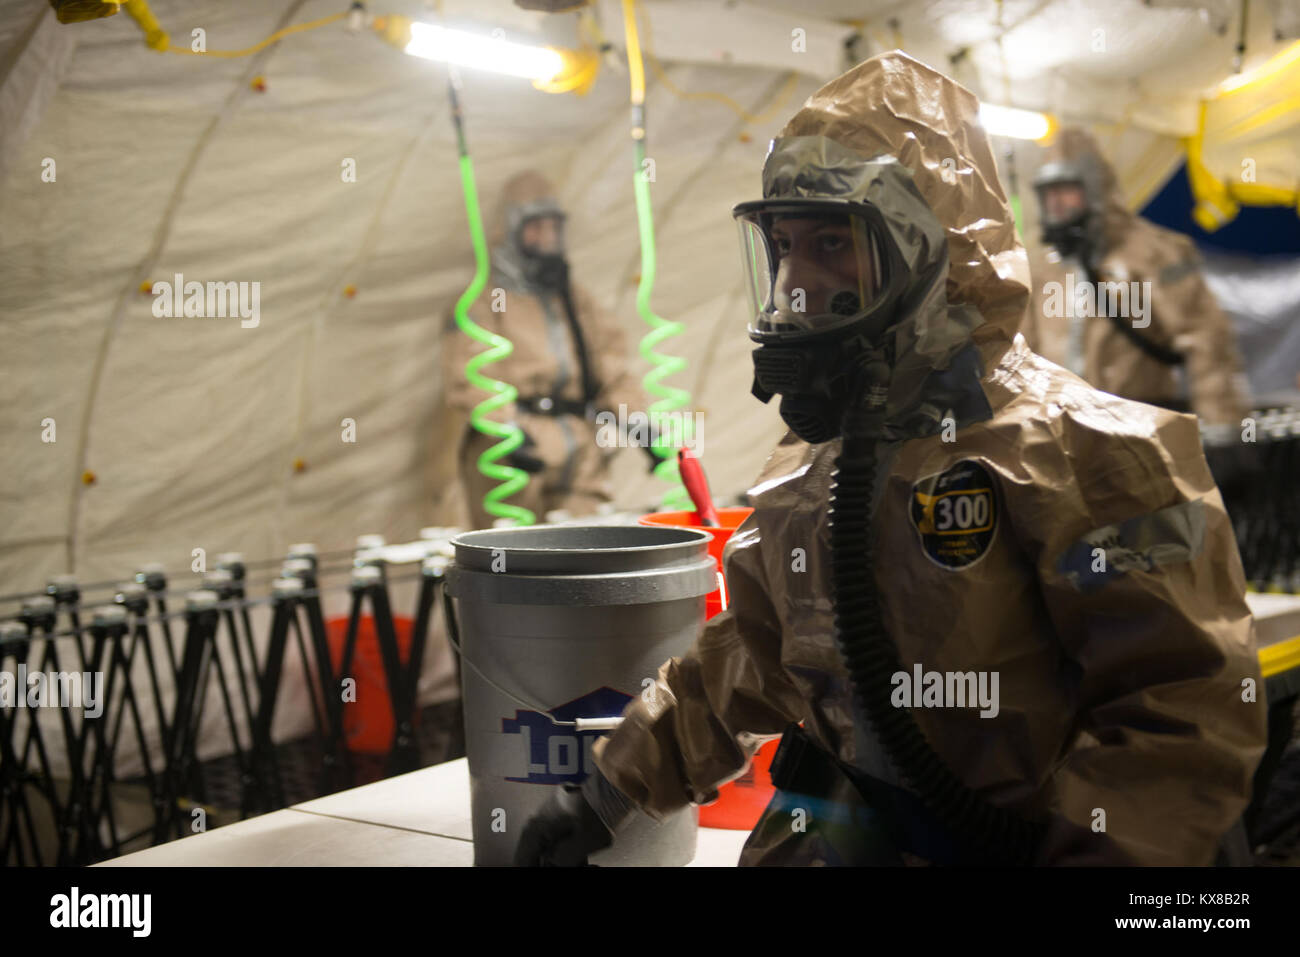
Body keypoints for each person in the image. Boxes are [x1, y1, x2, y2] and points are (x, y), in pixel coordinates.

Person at [514, 52, 1267, 867]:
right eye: (785, 247)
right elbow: (749, 656)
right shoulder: (816, 467)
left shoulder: (1096, 455)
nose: (798, 284)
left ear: (928, 252)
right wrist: (603, 793)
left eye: (833, 243)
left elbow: (1183, 708)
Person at [441, 170, 651, 530]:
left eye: (554, 227)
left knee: (592, 544)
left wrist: (642, 427)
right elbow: (470, 379)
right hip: (513, 449)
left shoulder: (576, 300)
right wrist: (507, 431)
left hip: (579, 443)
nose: (547, 238)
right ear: (509, 231)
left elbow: (611, 370)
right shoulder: (484, 303)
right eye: (534, 227)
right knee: (518, 558)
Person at [1022, 128, 1251, 442]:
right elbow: (1023, 357)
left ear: (1094, 189)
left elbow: (1206, 341)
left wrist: (1224, 428)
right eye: (1048, 193)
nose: (1055, 203)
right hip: (1060, 436)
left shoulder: (1153, 253)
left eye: (1065, 189)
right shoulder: (1042, 268)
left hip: (1139, 433)